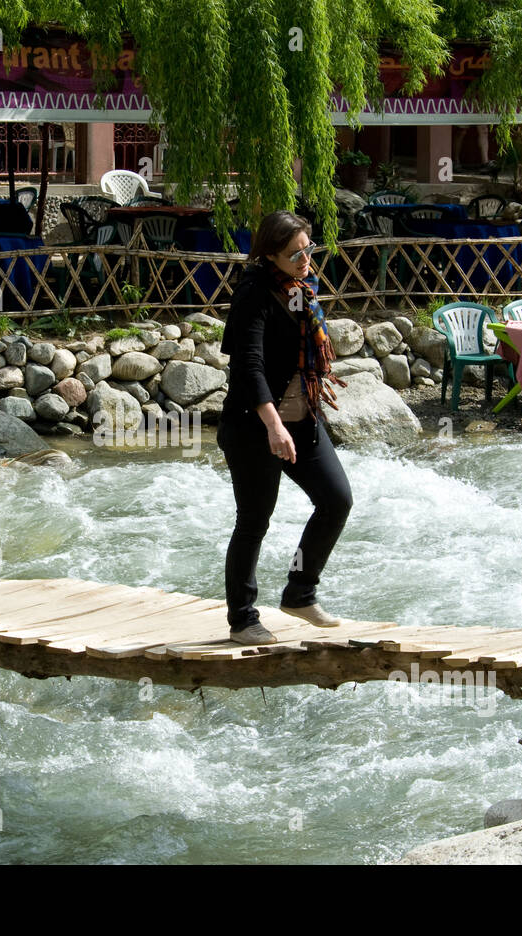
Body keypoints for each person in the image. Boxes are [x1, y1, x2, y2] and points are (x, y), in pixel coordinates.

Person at [216, 211, 354, 646]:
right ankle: (242, 619)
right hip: (254, 426)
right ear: (270, 254)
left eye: (308, 249)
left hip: (303, 418)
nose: (305, 259)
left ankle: (298, 592)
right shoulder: (253, 294)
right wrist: (274, 427)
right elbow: (249, 367)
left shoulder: (301, 290)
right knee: (254, 521)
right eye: (295, 253)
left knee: (336, 500)